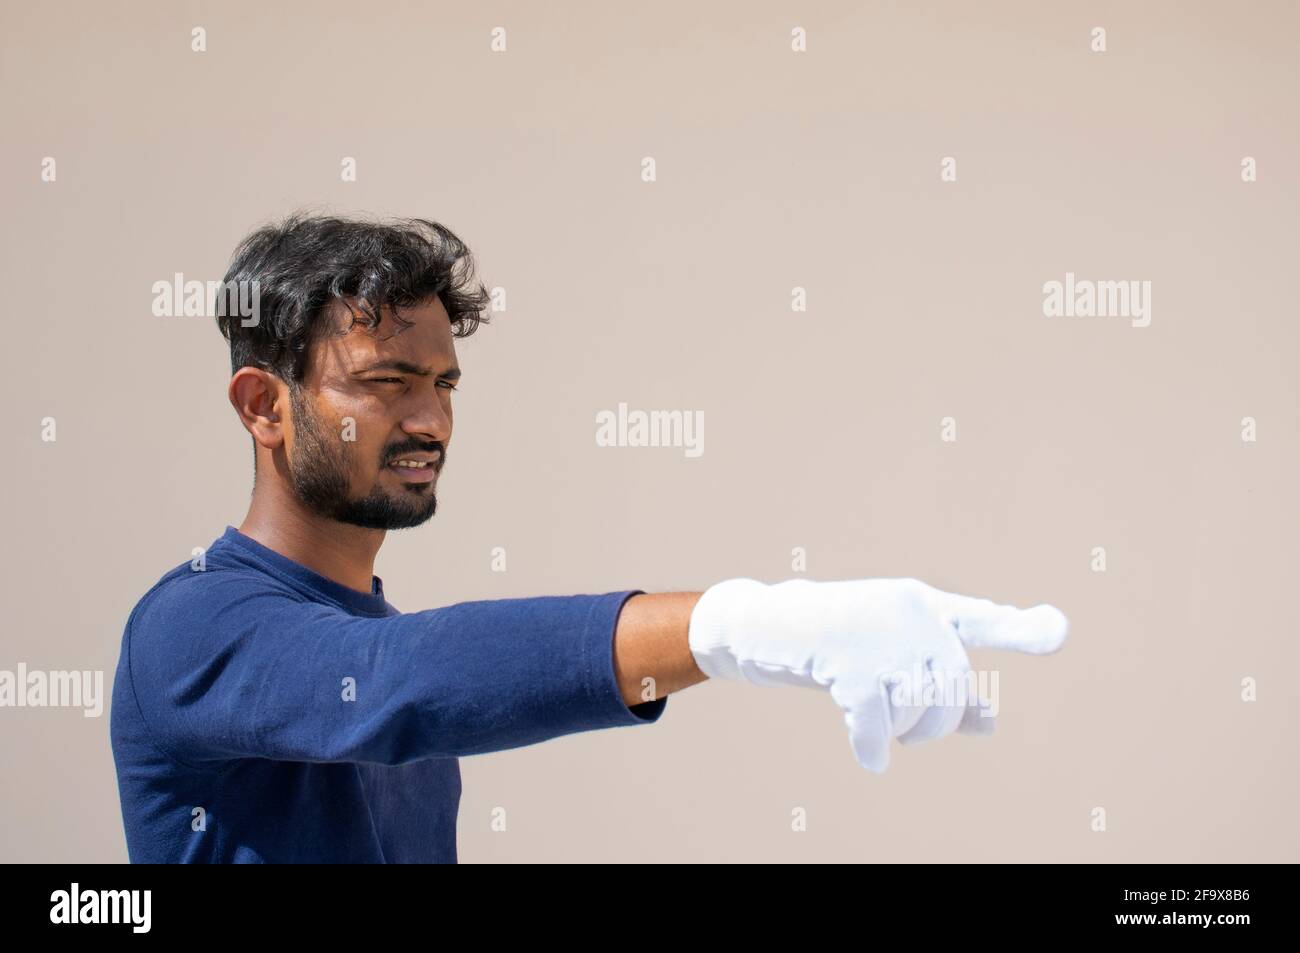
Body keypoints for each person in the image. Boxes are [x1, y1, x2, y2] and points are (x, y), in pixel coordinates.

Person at [110, 212, 1069, 863]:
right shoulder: (192, 625)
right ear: (263, 406)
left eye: (443, 385)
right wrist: (737, 625)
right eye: (386, 380)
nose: (430, 420)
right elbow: (398, 679)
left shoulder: (374, 654)